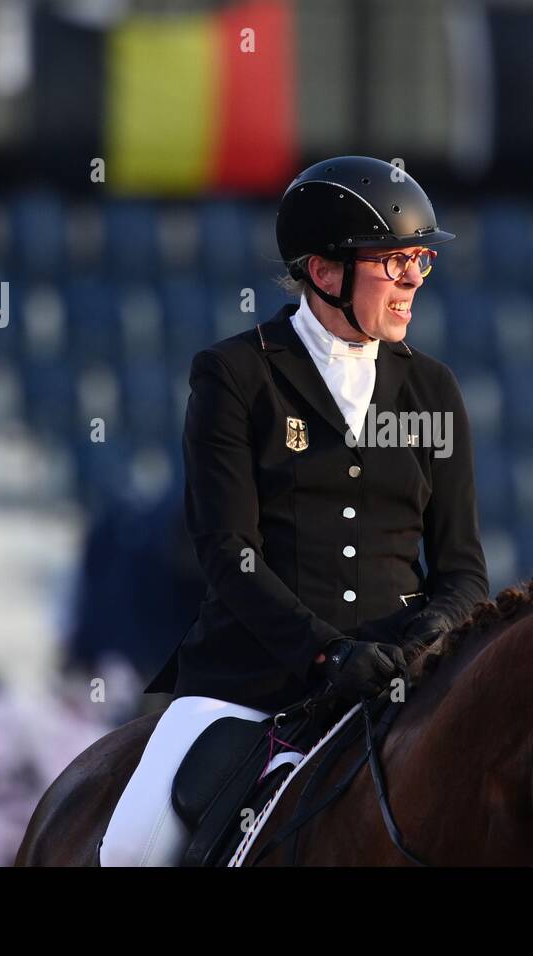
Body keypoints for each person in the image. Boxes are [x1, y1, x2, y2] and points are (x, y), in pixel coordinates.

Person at [98, 156, 489, 866]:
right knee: (130, 849)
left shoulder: (433, 389)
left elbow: (462, 570)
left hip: (397, 692)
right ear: (326, 272)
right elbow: (226, 551)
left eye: (420, 260)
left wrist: (424, 641)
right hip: (252, 686)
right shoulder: (237, 375)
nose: (413, 281)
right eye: (393, 261)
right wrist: (327, 651)